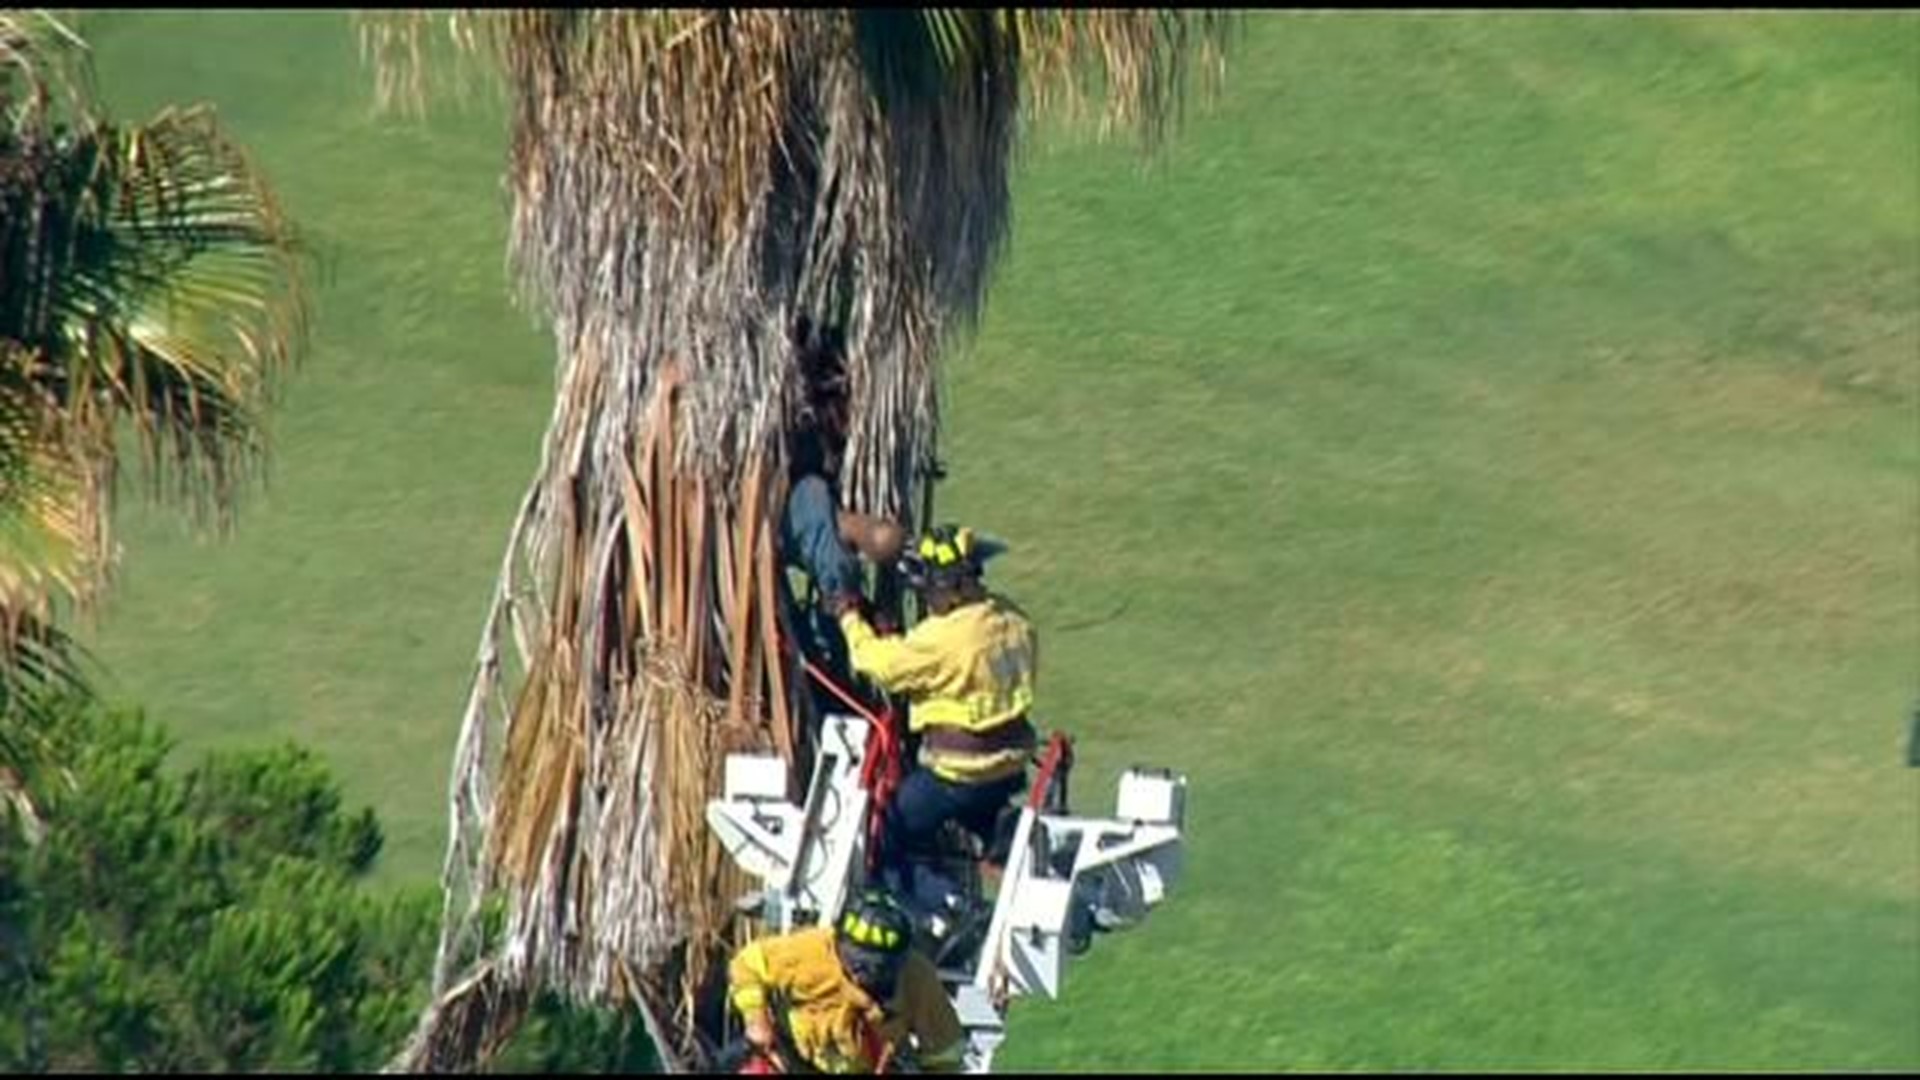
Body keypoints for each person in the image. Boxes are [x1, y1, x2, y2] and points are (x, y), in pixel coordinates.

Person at [826, 525, 1037, 889]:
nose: (924, 597)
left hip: (956, 775)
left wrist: (849, 618)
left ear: (946, 588)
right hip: (1009, 767)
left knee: (886, 838)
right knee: (974, 806)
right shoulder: (1015, 620)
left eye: (926, 589)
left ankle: (938, 903)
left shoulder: (943, 638)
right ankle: (994, 830)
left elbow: (877, 663)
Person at [725, 889, 966, 1073]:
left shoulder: (917, 978)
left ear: (899, 961)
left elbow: (946, 1050)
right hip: (787, 1059)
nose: (862, 973)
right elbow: (748, 964)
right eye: (855, 961)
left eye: (876, 967)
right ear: (839, 942)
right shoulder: (813, 950)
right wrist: (756, 1020)